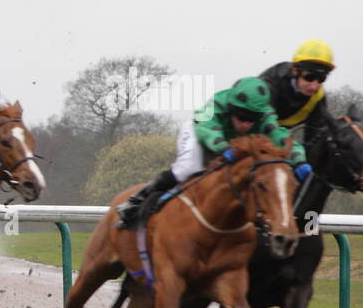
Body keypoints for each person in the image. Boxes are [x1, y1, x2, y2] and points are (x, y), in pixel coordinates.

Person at [115, 77, 307, 229]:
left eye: (252, 119)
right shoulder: (215, 105)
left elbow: (282, 138)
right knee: (188, 168)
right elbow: (207, 130)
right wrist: (224, 148)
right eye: (241, 117)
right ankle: (138, 200)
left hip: (229, 144)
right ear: (232, 108)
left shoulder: (266, 117)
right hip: (200, 132)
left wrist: (299, 160)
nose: (246, 124)